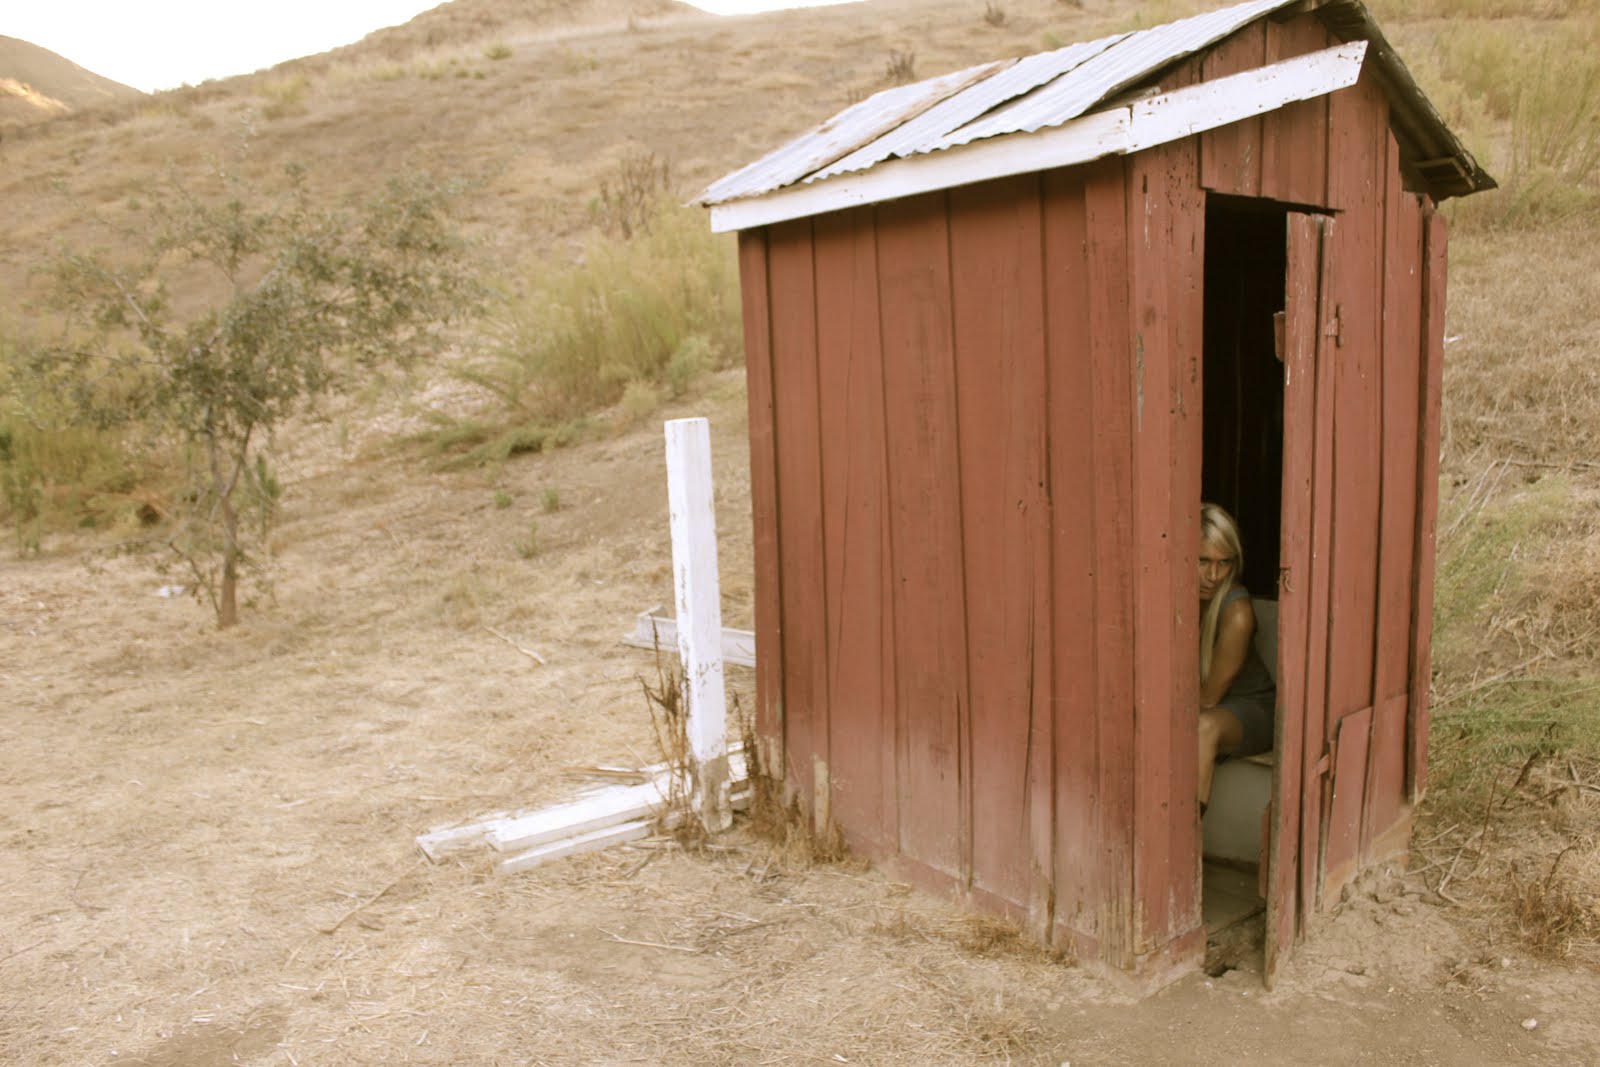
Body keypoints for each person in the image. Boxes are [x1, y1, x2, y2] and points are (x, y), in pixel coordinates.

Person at [1197, 502, 1275, 811]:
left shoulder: (1237, 612)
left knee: (1203, 728)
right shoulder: (1171, 599)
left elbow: (1207, 700)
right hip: (1207, 706)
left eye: (1224, 563)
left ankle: (1186, 833)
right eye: (1203, 561)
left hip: (1250, 708)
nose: (1213, 575)